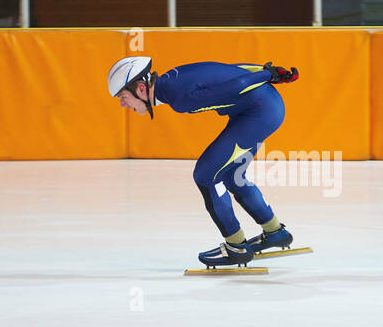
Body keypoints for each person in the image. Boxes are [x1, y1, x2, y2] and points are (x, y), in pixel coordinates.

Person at [109, 55, 300, 266]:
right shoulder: (171, 81)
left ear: (141, 89)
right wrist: (266, 71)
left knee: (206, 175)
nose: (122, 105)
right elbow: (231, 70)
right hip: (256, 109)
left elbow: (237, 84)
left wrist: (268, 74)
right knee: (233, 176)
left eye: (122, 97)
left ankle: (236, 247)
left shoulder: (180, 97)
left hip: (259, 113)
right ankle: (275, 233)